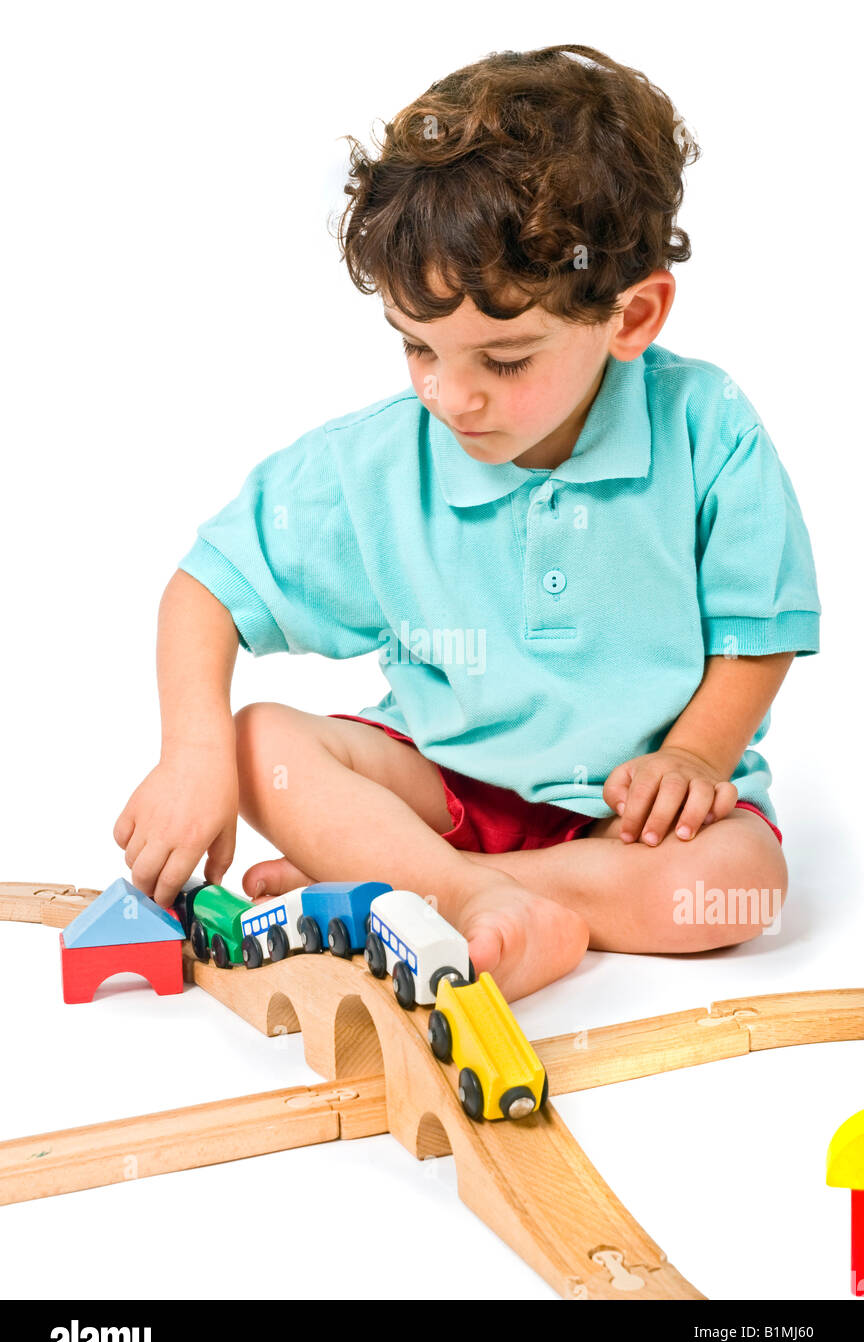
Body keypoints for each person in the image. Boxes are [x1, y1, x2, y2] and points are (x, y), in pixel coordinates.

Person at [114, 44, 820, 1001]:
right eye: (419, 348)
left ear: (632, 315)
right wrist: (191, 754)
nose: (452, 397)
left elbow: (756, 629)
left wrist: (693, 755)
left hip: (629, 825)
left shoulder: (709, 430)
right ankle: (454, 886)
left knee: (744, 897)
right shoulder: (376, 462)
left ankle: (417, 895)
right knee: (257, 746)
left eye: (507, 359)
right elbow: (206, 589)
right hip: (435, 789)